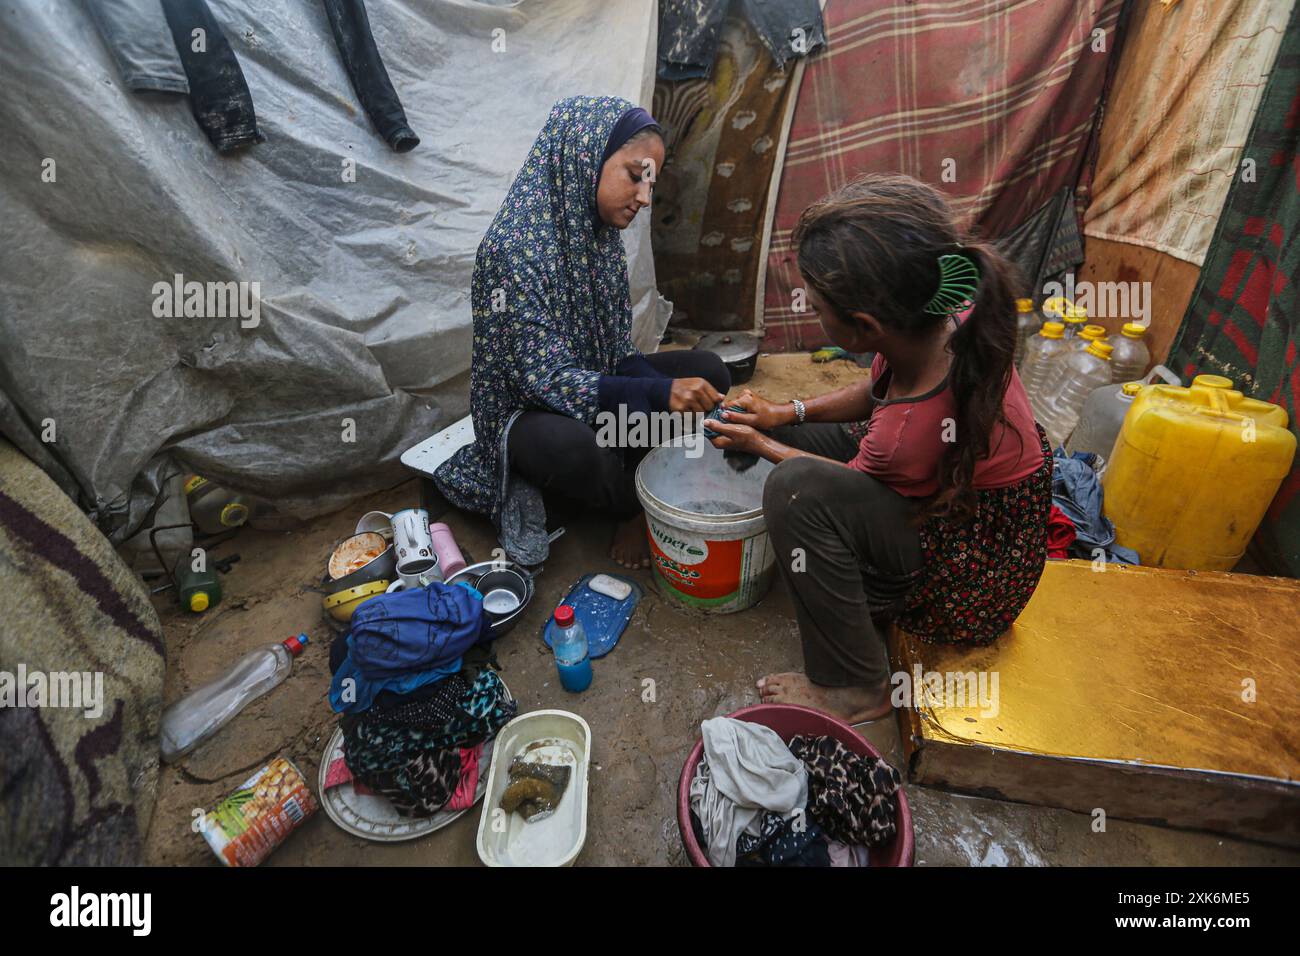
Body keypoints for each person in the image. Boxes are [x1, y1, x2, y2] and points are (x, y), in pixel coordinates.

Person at [706, 174, 1052, 723]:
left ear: (865, 327)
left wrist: (760, 441)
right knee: (784, 440)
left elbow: (849, 471)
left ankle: (857, 687)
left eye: (819, 309)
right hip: (937, 482)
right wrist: (783, 415)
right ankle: (828, 563)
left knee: (794, 491)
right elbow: (875, 390)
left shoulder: (908, 429)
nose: (814, 315)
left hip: (973, 570)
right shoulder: (943, 311)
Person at [435, 96, 729, 568]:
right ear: (585, 155)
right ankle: (630, 504)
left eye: (651, 181)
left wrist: (663, 390)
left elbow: (616, 349)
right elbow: (543, 379)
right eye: (636, 176)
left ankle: (628, 475)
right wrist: (656, 395)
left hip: (593, 390)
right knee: (580, 450)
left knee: (708, 371)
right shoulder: (512, 249)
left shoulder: (598, 234)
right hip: (527, 414)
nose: (645, 198)